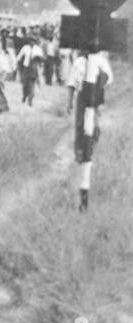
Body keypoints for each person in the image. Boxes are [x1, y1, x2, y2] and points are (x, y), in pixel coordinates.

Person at [67, 46, 114, 212]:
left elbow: (108, 78)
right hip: (82, 97)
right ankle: (80, 150)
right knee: (80, 128)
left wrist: (100, 80)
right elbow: (72, 83)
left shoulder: (101, 61)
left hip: (96, 95)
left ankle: (90, 146)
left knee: (92, 128)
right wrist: (69, 102)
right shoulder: (79, 62)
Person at [16, 35, 44, 106]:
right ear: (29, 41)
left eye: (33, 41)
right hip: (26, 68)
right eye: (31, 41)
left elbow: (42, 59)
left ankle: (30, 99)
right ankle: (24, 95)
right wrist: (19, 66)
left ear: (35, 42)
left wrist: (38, 59)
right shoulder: (25, 48)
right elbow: (19, 57)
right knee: (25, 84)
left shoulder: (38, 49)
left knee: (32, 85)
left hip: (34, 69)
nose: (32, 42)